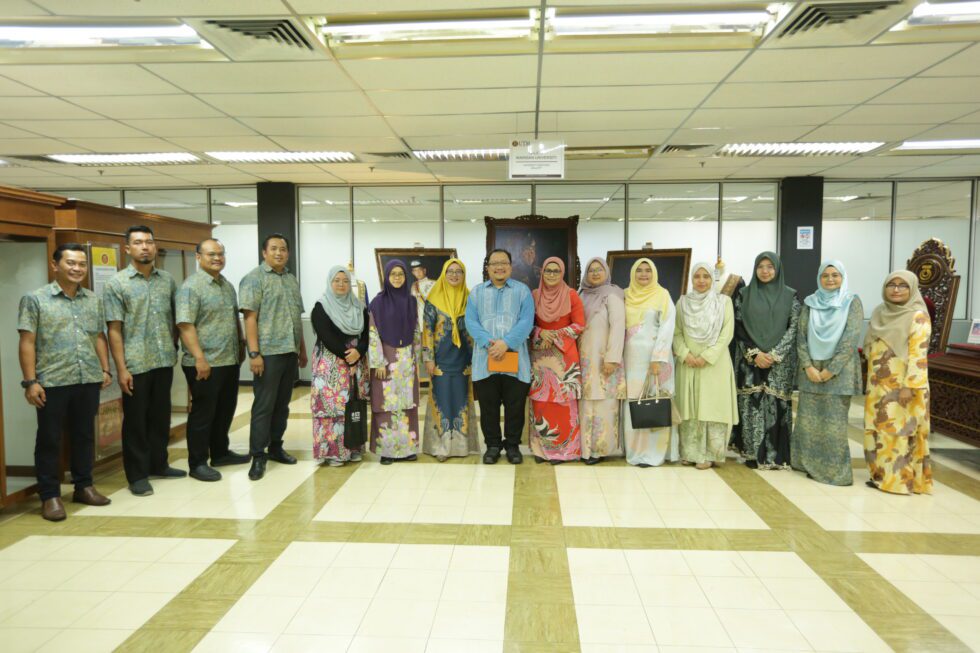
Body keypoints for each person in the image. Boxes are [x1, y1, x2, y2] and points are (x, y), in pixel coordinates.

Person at [18, 244, 113, 521]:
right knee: (50, 438)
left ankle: (84, 486)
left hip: (87, 378)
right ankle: (50, 496)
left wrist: (105, 369)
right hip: (52, 381)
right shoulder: (35, 299)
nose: (77, 269)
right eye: (71, 263)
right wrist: (30, 381)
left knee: (84, 435)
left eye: (82, 264)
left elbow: (98, 336)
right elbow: (27, 341)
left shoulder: (92, 299)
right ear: (55, 265)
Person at [103, 225, 183, 497]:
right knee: (136, 421)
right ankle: (137, 475)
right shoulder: (117, 284)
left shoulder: (167, 280)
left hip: (163, 360)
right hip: (135, 364)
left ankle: (158, 464)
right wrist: (121, 368)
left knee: (160, 417)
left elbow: (174, 318)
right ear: (128, 248)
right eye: (138, 243)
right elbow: (114, 329)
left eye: (149, 242)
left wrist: (173, 346)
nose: (145, 247)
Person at [176, 239, 251, 482]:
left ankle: (220, 452)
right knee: (203, 414)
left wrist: (240, 345)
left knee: (224, 410)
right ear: (198, 257)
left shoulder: (226, 285)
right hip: (204, 362)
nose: (217, 258)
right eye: (211, 254)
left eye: (220, 254)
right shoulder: (191, 287)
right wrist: (199, 358)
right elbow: (185, 325)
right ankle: (197, 463)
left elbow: (232, 320)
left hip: (228, 359)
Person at [240, 233, 307, 481]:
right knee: (264, 406)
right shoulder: (253, 280)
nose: (279, 253)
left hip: (289, 352)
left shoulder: (290, 279)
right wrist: (254, 353)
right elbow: (250, 318)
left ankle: (276, 446)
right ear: (264, 252)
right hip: (267, 355)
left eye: (283, 249)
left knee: (282, 405)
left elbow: (295, 317)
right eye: (274, 249)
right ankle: (258, 455)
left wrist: (300, 348)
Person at [792, 261, 863, 486]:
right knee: (808, 422)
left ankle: (835, 473)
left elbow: (851, 338)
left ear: (842, 277)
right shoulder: (810, 303)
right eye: (825, 276)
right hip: (810, 370)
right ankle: (806, 464)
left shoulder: (851, 302)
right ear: (819, 279)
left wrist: (830, 370)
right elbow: (800, 337)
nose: (830, 279)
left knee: (834, 425)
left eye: (835, 275)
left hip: (839, 373)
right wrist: (808, 366)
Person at [864, 270, 933, 495]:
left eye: (902, 285)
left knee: (900, 432)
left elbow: (918, 356)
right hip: (878, 386)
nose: (896, 289)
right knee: (878, 432)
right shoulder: (879, 313)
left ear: (911, 289)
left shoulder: (917, 317)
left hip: (904, 387)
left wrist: (908, 387)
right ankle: (879, 476)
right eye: (891, 285)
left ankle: (900, 482)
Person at [731, 252, 801, 470]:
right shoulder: (743, 294)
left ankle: (776, 456)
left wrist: (774, 354)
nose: (765, 271)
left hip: (779, 361)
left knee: (776, 405)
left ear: (777, 269)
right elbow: (738, 325)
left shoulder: (791, 296)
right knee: (751, 405)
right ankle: (752, 453)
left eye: (770, 267)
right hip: (749, 358)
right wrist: (755, 353)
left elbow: (794, 327)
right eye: (760, 266)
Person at [465, 248, 535, 465]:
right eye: (494, 263)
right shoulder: (476, 292)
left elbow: (526, 321)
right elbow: (471, 322)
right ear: (488, 268)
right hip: (485, 360)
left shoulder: (523, 292)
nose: (499, 267)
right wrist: (490, 344)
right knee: (488, 407)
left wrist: (506, 343)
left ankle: (513, 446)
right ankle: (493, 446)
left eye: (503, 263)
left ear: (511, 266)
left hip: (515, 359)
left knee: (515, 407)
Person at [673, 262, 738, 469]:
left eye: (706, 277)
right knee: (689, 408)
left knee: (712, 407)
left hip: (714, 364)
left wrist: (707, 356)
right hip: (688, 364)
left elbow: (727, 333)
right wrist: (685, 354)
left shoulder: (723, 302)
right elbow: (676, 332)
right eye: (697, 276)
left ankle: (711, 454)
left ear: (712, 279)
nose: (701, 281)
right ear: (691, 279)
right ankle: (691, 452)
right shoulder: (682, 303)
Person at [310, 266, 370, 467]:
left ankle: (352, 448)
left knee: (352, 406)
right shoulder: (321, 307)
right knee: (331, 408)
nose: (341, 284)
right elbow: (327, 337)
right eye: (337, 280)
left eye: (345, 280)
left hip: (354, 364)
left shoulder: (359, 307)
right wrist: (348, 357)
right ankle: (332, 452)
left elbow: (366, 336)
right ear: (330, 282)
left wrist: (359, 352)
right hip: (331, 365)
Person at [421, 259, 479, 461]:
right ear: (444, 274)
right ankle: (441, 447)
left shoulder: (470, 299)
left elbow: (474, 331)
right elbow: (427, 331)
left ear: (464, 275)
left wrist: (475, 360)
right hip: (440, 361)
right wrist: (428, 358)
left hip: (464, 360)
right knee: (442, 401)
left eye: (459, 272)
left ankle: (461, 447)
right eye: (450, 271)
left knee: (461, 400)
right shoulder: (433, 300)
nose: (454, 275)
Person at [529, 257, 585, 464]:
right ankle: (542, 451)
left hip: (564, 357)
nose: (551, 274)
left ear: (562, 273)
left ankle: (565, 452)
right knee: (541, 403)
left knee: (563, 403)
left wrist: (554, 335)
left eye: (556, 271)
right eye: (548, 271)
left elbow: (580, 325)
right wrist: (540, 332)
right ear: (542, 273)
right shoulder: (535, 296)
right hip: (540, 357)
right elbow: (528, 322)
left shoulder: (571, 295)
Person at [622, 258, 677, 467]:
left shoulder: (662, 295)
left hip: (655, 359)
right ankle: (635, 453)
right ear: (633, 274)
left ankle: (654, 454)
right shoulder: (626, 295)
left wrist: (657, 358)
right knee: (634, 403)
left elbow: (667, 327)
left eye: (647, 271)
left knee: (655, 401)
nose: (643, 274)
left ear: (654, 273)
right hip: (631, 359)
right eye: (639, 271)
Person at [368, 259, 421, 464]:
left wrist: (416, 358)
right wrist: (378, 361)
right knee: (386, 405)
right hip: (386, 360)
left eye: (401, 274)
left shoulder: (411, 301)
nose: (397, 278)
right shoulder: (377, 302)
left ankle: (407, 449)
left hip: (406, 360)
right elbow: (372, 334)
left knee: (407, 405)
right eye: (393, 274)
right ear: (387, 277)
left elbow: (416, 330)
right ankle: (387, 451)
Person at [577, 257, 625, 465]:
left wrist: (612, 358)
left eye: (599, 269)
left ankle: (600, 449)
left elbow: (618, 327)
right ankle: (585, 449)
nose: (595, 273)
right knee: (586, 405)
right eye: (591, 270)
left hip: (604, 359)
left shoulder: (612, 295)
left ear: (606, 272)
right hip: (583, 359)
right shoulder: (581, 295)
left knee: (605, 405)